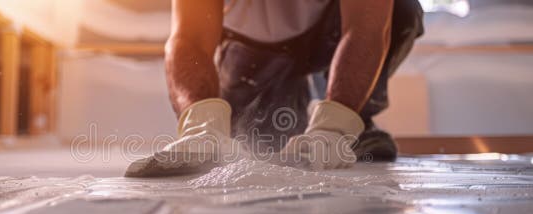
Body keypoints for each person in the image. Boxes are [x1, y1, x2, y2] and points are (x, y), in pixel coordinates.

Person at [161, 0, 424, 170]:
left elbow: (366, 28)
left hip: (330, 31)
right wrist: (202, 125)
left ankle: (355, 122)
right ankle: (298, 118)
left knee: (401, 10)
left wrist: (333, 127)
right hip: (252, 48)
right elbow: (189, 39)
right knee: (262, 141)